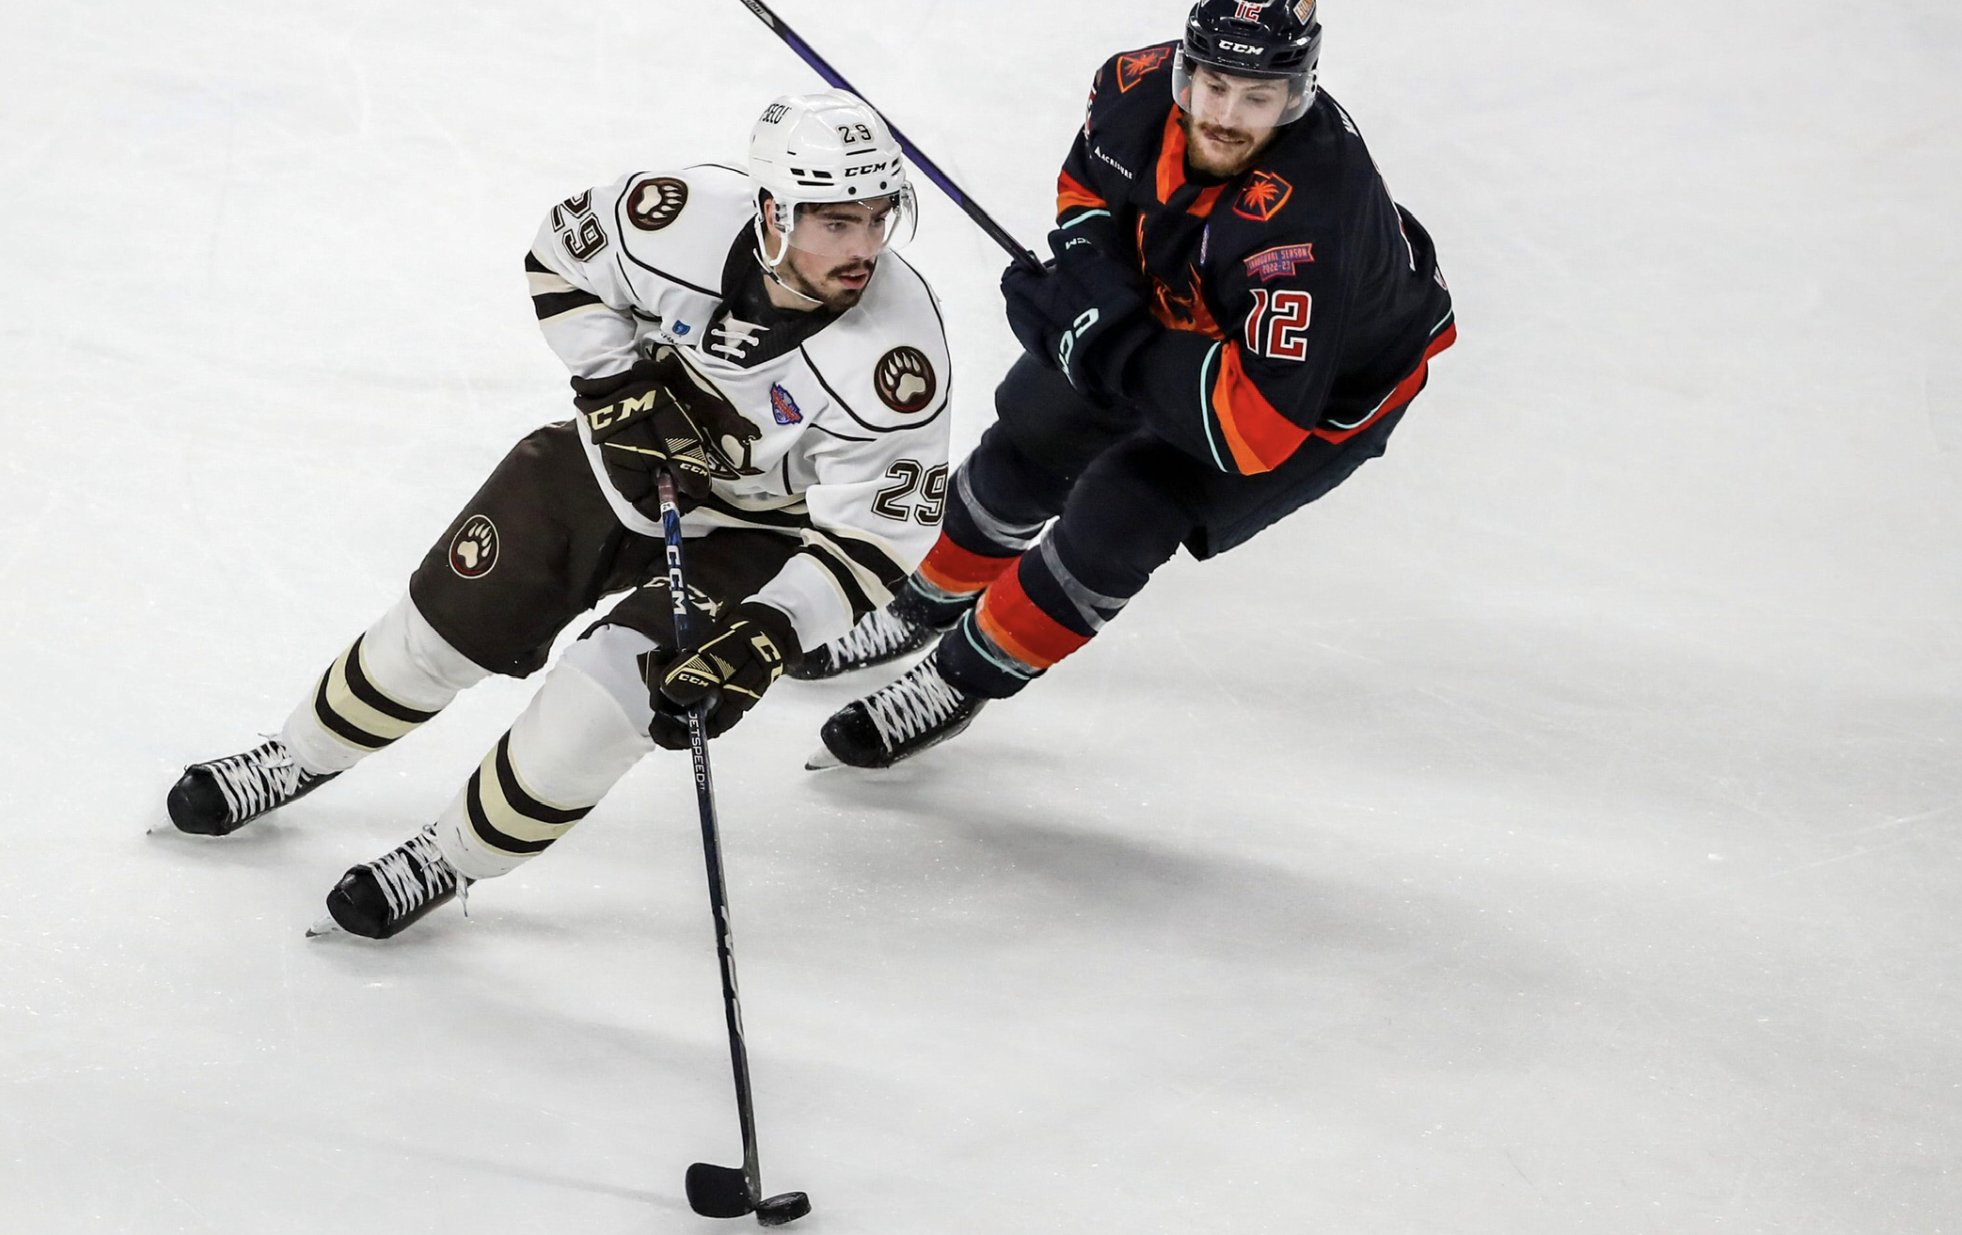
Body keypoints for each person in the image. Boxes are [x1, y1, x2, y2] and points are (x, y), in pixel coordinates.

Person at [165, 90, 953, 938]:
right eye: (836, 222)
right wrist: (614, 384)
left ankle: (448, 858)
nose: (864, 248)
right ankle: (295, 757)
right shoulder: (678, 216)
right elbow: (562, 256)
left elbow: (879, 535)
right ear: (772, 210)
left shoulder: (898, 359)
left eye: (879, 219)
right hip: (609, 467)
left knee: (588, 721)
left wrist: (768, 633)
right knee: (429, 638)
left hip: (754, 536)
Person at [800, 0, 1456, 769]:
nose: (1226, 114)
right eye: (1213, 85)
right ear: (1184, 66)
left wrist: (1108, 338)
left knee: (1127, 506)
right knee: (1036, 426)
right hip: (1196, 301)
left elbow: (1252, 429)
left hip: (1313, 396)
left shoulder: (1310, 226)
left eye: (1258, 97)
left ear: (1299, 94)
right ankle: (923, 600)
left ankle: (955, 680)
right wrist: (1097, 288)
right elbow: (1086, 192)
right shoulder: (1130, 86)